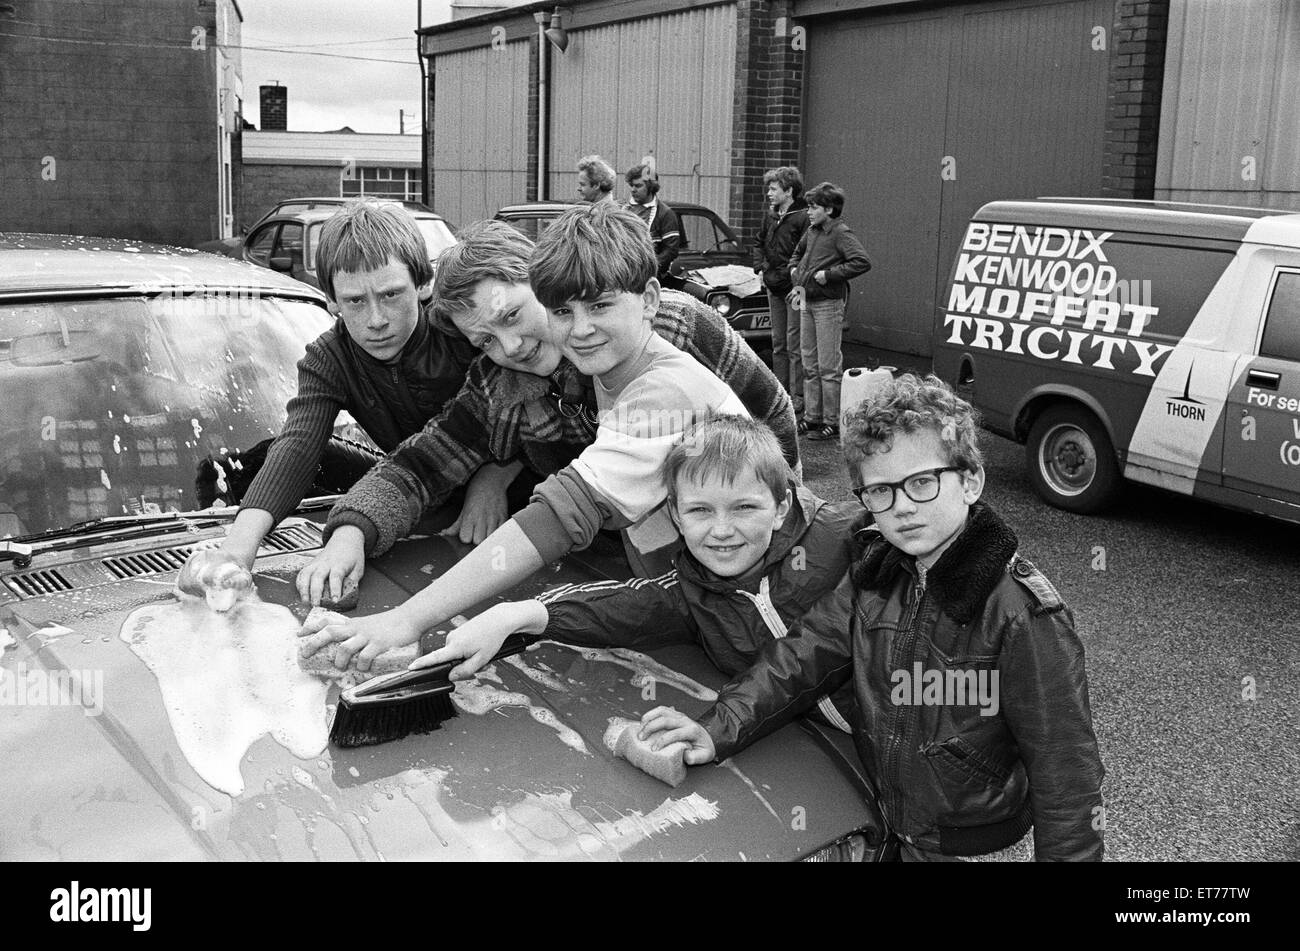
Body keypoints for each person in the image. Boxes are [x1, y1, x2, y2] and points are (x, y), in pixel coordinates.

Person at [639, 374, 1106, 862]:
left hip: (973, 839)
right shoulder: (875, 573)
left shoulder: (1022, 612)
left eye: (921, 483)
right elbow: (801, 657)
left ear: (970, 481)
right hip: (892, 818)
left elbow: (1066, 774)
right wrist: (717, 728)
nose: (901, 507)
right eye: (880, 490)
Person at [299, 205, 786, 670]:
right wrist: (351, 530)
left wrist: (779, 522)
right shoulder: (503, 382)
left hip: (758, 578)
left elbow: (773, 421)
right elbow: (424, 462)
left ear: (543, 284)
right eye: (485, 340)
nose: (510, 347)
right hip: (665, 588)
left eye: (512, 316)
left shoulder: (666, 336)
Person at [410, 415, 855, 733]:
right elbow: (622, 605)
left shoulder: (844, 537)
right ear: (676, 519)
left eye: (744, 508)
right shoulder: (691, 592)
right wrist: (516, 614)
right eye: (700, 510)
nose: (722, 531)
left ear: (780, 508)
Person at [182, 201, 518, 583]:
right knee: (266, 454)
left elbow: (534, 395)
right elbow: (298, 447)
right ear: (330, 300)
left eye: (391, 295)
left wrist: (496, 475)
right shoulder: (330, 359)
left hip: (523, 490)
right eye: (355, 301)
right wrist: (236, 553)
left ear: (422, 284)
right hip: (415, 488)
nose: (376, 320)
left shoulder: (463, 328)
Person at [788, 181, 871, 441]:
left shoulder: (840, 233)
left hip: (828, 305)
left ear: (830, 209)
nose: (809, 212)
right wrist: (794, 271)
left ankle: (832, 422)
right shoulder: (812, 231)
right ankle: (812, 418)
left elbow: (862, 261)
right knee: (809, 364)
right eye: (809, 207)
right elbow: (797, 254)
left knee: (828, 367)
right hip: (806, 302)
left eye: (814, 207)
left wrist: (830, 275)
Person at [753, 166, 809, 422]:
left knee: (795, 343)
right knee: (778, 343)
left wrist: (795, 278)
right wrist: (760, 267)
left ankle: (798, 397)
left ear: (789, 191)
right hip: (773, 286)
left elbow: (807, 253)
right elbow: (759, 242)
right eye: (769, 188)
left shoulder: (803, 218)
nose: (769, 193)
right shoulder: (770, 216)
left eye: (774, 189)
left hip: (794, 289)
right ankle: (781, 392)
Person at [623, 161, 681, 282]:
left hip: (650, 278)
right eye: (631, 185)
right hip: (623, 274)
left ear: (651, 187)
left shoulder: (665, 214)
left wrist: (648, 268)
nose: (633, 190)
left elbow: (671, 250)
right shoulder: (623, 209)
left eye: (638, 186)